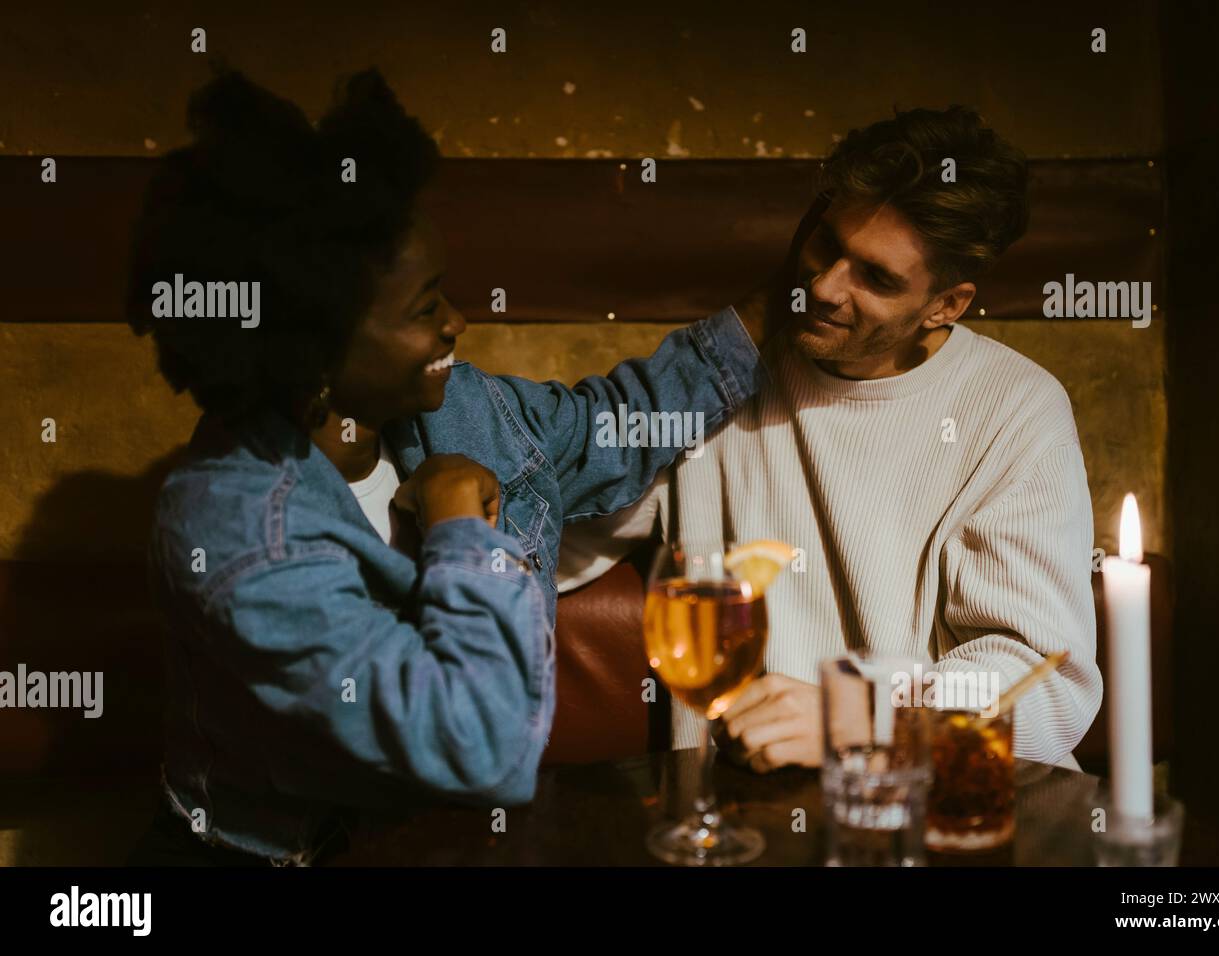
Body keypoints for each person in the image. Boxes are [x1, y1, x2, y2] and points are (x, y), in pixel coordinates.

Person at [123, 66, 779, 865]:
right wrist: (461, 527)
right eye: (425, 306)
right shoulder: (231, 525)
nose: (457, 322)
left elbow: (615, 423)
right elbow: (479, 747)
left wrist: (784, 305)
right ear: (316, 348)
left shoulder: (465, 408)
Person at [560, 106, 1103, 774]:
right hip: (743, 817)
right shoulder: (722, 381)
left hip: (938, 817)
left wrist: (860, 719)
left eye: (876, 278)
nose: (821, 287)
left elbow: (1047, 685)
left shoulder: (1014, 408)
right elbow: (555, 534)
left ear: (947, 305)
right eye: (827, 244)